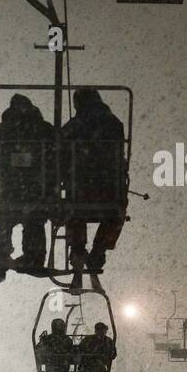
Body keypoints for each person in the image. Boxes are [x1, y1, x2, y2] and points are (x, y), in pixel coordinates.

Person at [0, 93, 55, 281]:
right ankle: (34, 258)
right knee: (34, 223)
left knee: (2, 222)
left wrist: (2, 163)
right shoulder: (45, 129)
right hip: (38, 189)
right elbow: (59, 155)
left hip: (9, 188)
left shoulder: (0, 130)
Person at [61, 89, 126, 291]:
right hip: (109, 186)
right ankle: (98, 252)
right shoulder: (114, 123)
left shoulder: (74, 125)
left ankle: (78, 251)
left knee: (75, 213)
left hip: (79, 184)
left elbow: (61, 151)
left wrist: (63, 175)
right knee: (115, 213)